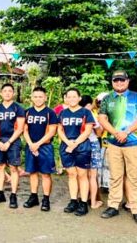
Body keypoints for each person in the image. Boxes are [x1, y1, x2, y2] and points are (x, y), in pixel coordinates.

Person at [98, 70, 137, 225]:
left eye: (122, 80)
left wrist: (126, 132)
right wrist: (115, 132)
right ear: (112, 82)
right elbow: (102, 118)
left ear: (127, 81)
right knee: (115, 176)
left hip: (133, 143)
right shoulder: (107, 99)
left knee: (135, 177)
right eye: (116, 81)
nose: (119, 83)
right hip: (114, 144)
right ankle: (113, 206)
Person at [58, 88, 95, 216]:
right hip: (66, 146)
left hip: (82, 146)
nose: (72, 99)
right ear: (66, 99)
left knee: (82, 175)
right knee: (71, 174)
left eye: (74, 96)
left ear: (79, 98)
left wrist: (74, 144)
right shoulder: (62, 113)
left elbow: (87, 131)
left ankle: (83, 202)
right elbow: (60, 130)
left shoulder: (86, 112)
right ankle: (73, 200)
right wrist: (68, 143)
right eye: (69, 96)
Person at [23, 86, 58, 211]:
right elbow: (24, 130)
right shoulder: (27, 112)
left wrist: (38, 144)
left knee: (45, 174)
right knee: (32, 172)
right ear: (32, 98)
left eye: (40, 97)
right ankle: (33, 197)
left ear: (45, 97)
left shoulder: (50, 113)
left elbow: (52, 131)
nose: (38, 99)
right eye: (35, 97)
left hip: (45, 147)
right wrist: (31, 144)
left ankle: (46, 199)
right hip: (30, 146)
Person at [0, 83, 25, 208]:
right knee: (0, 167)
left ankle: (13, 195)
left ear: (13, 93)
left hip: (13, 141)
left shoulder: (18, 108)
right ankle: (0, 193)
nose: (7, 93)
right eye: (4, 91)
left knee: (13, 168)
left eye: (10, 91)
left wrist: (9, 142)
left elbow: (20, 128)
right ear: (0, 93)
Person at [85, 94, 106, 209]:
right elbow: (99, 133)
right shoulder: (91, 114)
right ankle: (93, 202)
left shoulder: (74, 113)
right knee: (93, 176)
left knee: (81, 175)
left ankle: (82, 198)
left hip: (78, 145)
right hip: (93, 144)